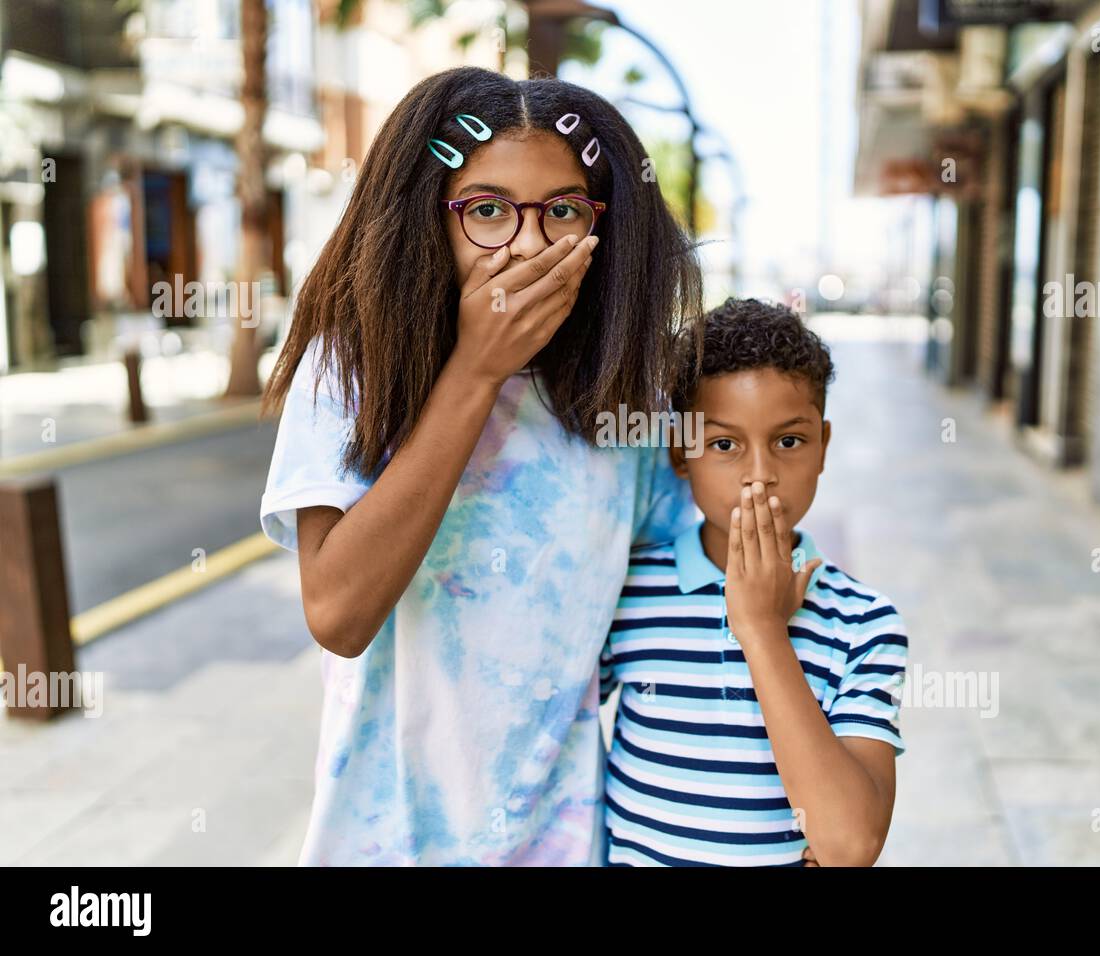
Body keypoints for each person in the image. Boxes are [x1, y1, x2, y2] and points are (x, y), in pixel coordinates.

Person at [258, 66, 701, 865]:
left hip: (568, 843)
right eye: (487, 210)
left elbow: (679, 614)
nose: (529, 242)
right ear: (429, 221)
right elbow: (338, 612)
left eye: (562, 211)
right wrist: (474, 371)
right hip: (382, 844)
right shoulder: (351, 371)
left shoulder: (632, 400)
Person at [600, 297, 908, 866]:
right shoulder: (626, 588)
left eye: (789, 441)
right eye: (724, 445)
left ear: (823, 449)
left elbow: (849, 845)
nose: (760, 475)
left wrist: (762, 630)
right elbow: (550, 731)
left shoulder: (864, 623)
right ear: (680, 452)